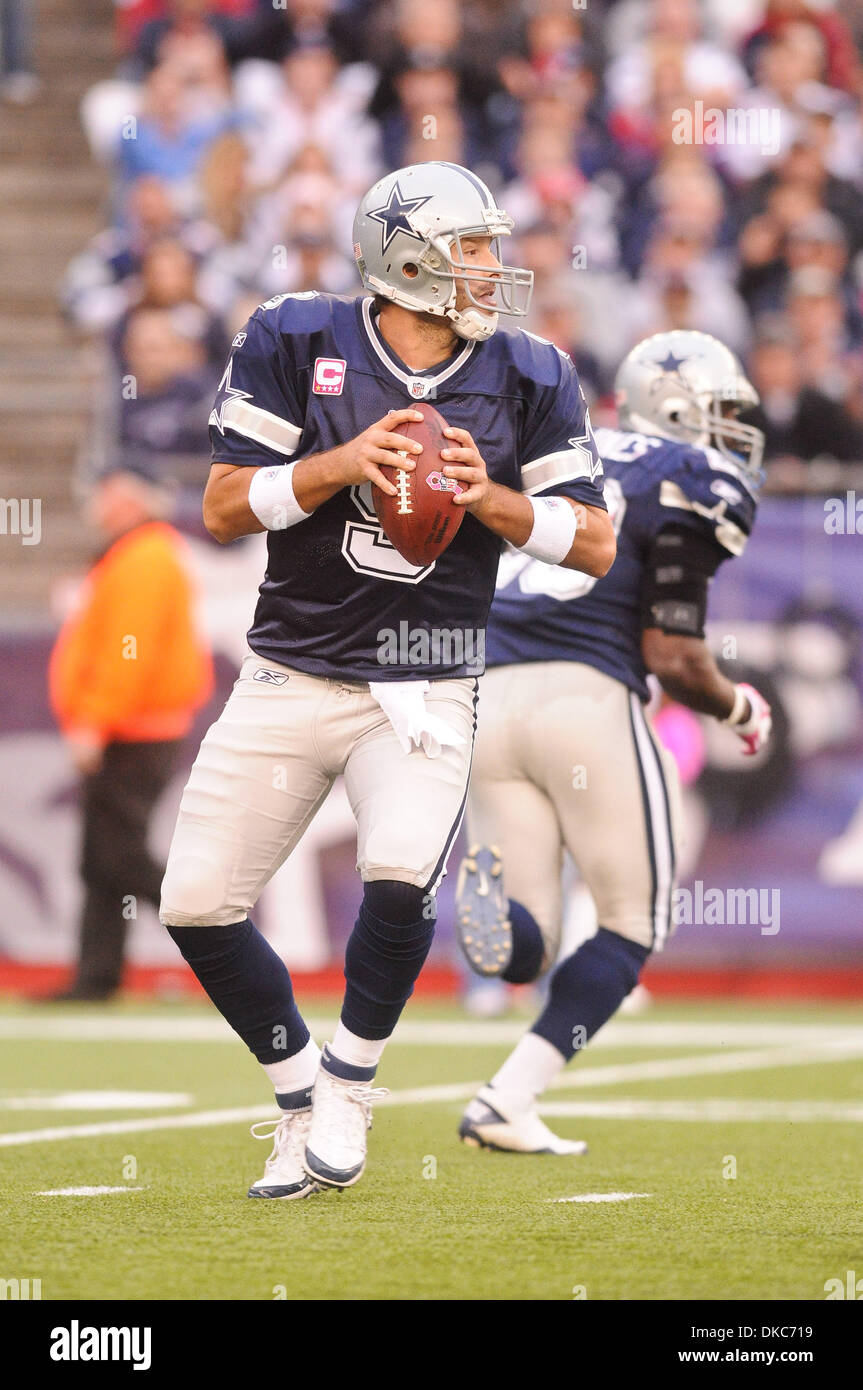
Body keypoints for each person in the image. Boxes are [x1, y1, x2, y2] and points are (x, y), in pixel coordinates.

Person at [158, 160, 615, 1199]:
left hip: (422, 678)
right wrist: (339, 463)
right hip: (290, 665)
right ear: (403, 258)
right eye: (473, 249)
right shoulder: (296, 335)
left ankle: (351, 1083)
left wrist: (486, 496)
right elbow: (224, 509)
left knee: (402, 871)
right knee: (192, 902)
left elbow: (591, 543)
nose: (495, 268)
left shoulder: (531, 371)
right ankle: (294, 1092)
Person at [454, 330, 773, 1154]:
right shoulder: (690, 477)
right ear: (675, 405)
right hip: (583, 699)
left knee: (527, 949)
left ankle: (509, 935)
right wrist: (736, 707)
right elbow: (671, 652)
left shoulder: (561, 447)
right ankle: (508, 1098)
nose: (733, 429)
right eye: (721, 411)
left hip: (485, 696)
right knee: (635, 919)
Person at [48, 470, 214, 1001]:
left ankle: (218, 935)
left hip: (134, 728)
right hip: (132, 724)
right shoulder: (134, 553)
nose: (96, 501)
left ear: (127, 499)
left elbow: (129, 652)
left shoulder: (144, 556)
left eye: (107, 491)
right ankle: (95, 978)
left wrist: (93, 721)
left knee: (116, 856)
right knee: (102, 857)